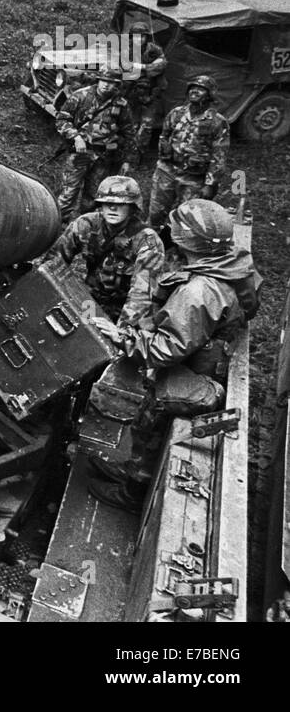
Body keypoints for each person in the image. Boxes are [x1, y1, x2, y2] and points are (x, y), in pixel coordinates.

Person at [89, 199, 261, 511]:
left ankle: (133, 490)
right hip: (203, 361)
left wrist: (124, 337)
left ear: (186, 240)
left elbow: (165, 350)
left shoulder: (200, 292)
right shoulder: (229, 264)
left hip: (195, 377)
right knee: (148, 417)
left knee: (150, 421)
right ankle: (130, 470)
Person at [43, 176, 164, 324]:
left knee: (102, 344)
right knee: (72, 333)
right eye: (107, 203)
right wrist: (44, 297)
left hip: (124, 310)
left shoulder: (147, 242)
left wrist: (121, 333)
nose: (112, 208)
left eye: (121, 204)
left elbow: (142, 296)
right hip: (89, 300)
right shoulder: (86, 224)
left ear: (133, 207)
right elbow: (53, 263)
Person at [147, 75, 229, 231]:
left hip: (194, 178)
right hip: (167, 171)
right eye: (192, 88)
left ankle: (179, 250)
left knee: (188, 218)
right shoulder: (176, 113)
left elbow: (219, 156)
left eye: (200, 89)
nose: (195, 91)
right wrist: (164, 155)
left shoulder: (217, 122)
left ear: (210, 95)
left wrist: (210, 184)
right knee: (156, 213)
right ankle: (150, 244)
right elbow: (164, 135)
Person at [55, 69, 134, 222]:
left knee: (93, 196)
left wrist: (126, 160)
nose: (107, 85)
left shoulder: (121, 105)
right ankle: (57, 225)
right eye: (104, 81)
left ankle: (84, 228)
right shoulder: (81, 96)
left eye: (112, 83)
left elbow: (129, 133)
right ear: (98, 80)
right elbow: (61, 119)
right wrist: (76, 137)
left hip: (103, 158)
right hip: (80, 155)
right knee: (68, 193)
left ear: (117, 85)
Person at [123, 22, 168, 163]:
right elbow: (126, 68)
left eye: (142, 36)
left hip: (151, 94)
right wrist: (146, 68)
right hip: (132, 93)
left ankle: (138, 157)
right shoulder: (126, 51)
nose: (139, 39)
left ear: (146, 37)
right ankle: (127, 157)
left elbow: (160, 66)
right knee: (131, 125)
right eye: (135, 36)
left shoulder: (154, 50)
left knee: (147, 127)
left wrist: (142, 67)